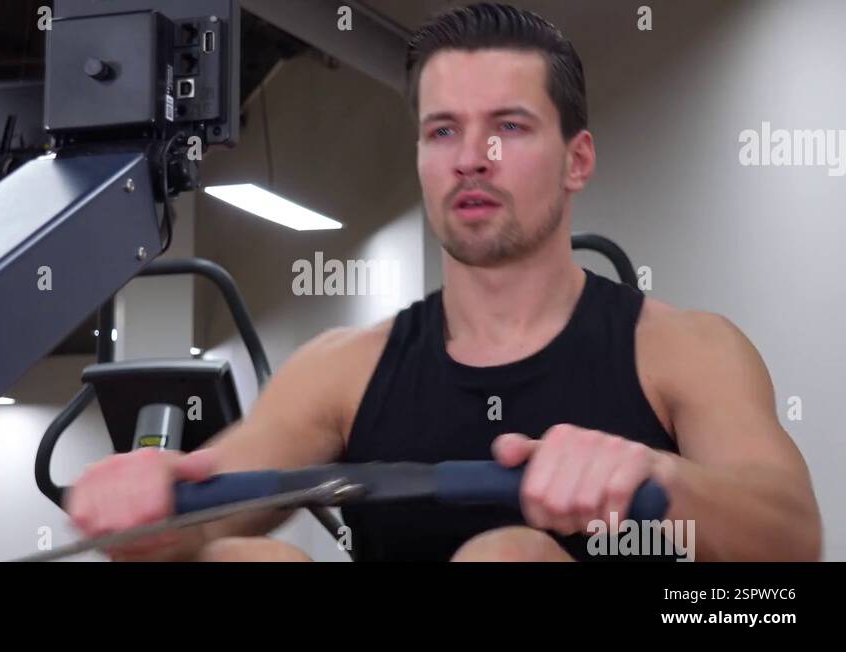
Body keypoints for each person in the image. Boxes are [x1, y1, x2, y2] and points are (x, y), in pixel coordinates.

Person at [67, 2, 822, 562]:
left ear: (577, 159)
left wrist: (659, 476)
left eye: (511, 127)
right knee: (241, 559)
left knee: (510, 559)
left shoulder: (684, 349)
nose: (472, 157)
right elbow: (203, 515)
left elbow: (793, 537)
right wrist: (145, 506)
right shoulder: (344, 368)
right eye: (443, 130)